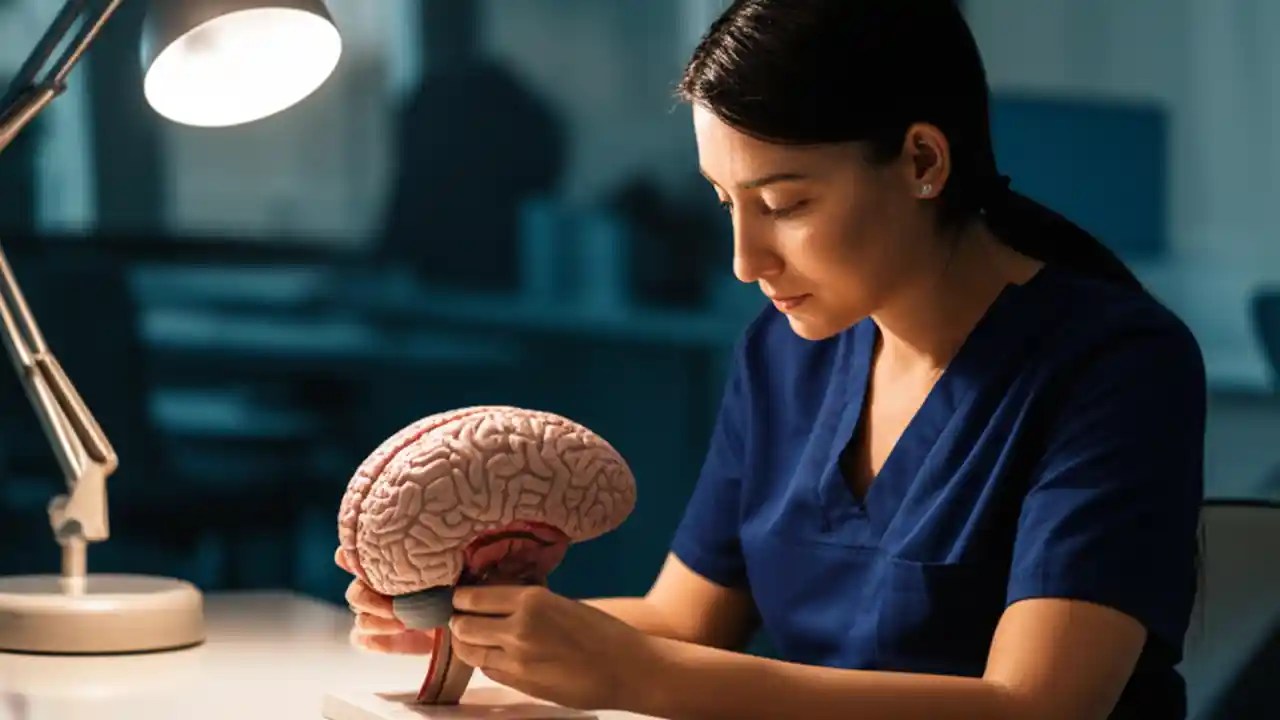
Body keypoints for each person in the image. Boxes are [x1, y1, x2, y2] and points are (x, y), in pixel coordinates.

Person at [337, 1, 1206, 718]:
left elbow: (1040, 707)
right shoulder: (786, 354)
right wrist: (467, 625)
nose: (745, 261)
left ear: (922, 161)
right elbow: (681, 620)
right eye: (725, 203)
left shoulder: (1116, 365)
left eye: (784, 203)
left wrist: (635, 676)